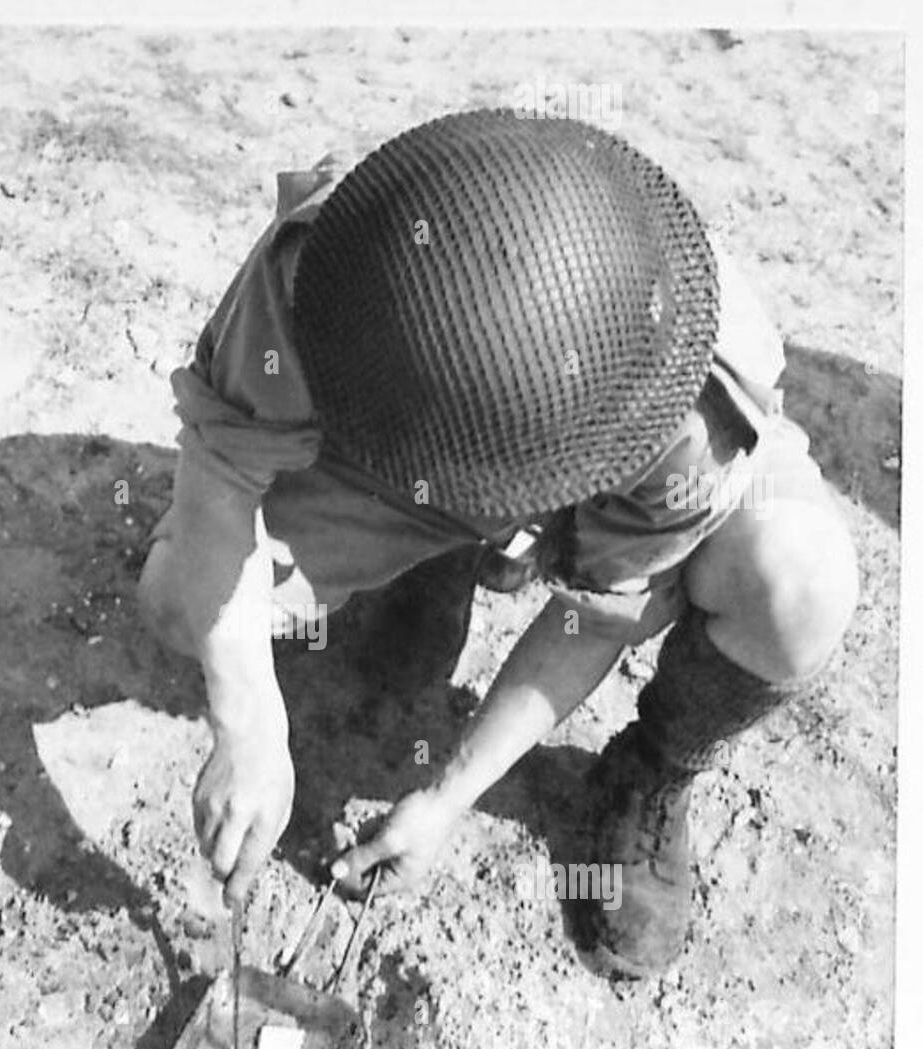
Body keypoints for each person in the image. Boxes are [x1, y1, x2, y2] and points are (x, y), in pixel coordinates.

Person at [138, 109, 858, 979]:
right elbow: (221, 474)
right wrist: (246, 714)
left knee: (800, 586)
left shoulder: (677, 401)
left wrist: (448, 798)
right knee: (185, 602)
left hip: (580, 428)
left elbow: (591, 620)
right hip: (405, 439)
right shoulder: (335, 266)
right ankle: (431, 557)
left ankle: (651, 773)